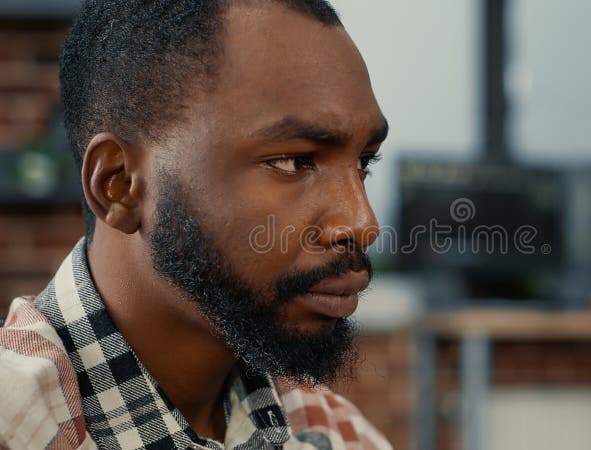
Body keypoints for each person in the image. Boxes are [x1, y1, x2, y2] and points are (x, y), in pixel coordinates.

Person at [0, 1, 393, 449]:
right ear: (120, 185)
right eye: (293, 162)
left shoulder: (334, 433)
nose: (363, 223)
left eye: (365, 162)